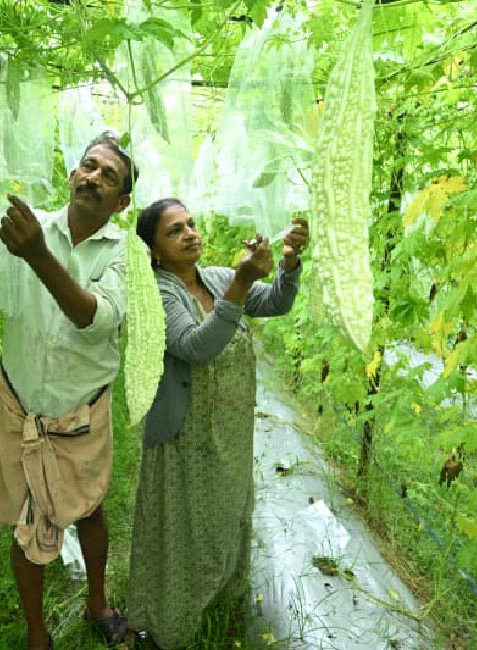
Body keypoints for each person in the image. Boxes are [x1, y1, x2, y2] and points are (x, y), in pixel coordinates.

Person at [0, 50, 139, 650]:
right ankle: (37, 635)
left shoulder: (123, 256)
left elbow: (96, 319)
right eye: (88, 167)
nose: (94, 177)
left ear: (121, 203)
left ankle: (98, 601)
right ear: (73, 175)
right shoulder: (25, 223)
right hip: (20, 406)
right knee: (26, 524)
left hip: (81, 412)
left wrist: (38, 257)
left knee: (89, 510)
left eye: (109, 177)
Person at [127, 198, 309, 648]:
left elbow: (274, 302)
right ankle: (171, 618)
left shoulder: (216, 278)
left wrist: (287, 263)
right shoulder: (157, 293)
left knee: (224, 514)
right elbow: (194, 346)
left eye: (190, 225)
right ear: (153, 249)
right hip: (185, 433)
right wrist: (243, 280)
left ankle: (216, 598)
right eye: (174, 231)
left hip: (229, 431)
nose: (190, 233)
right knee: (185, 523)